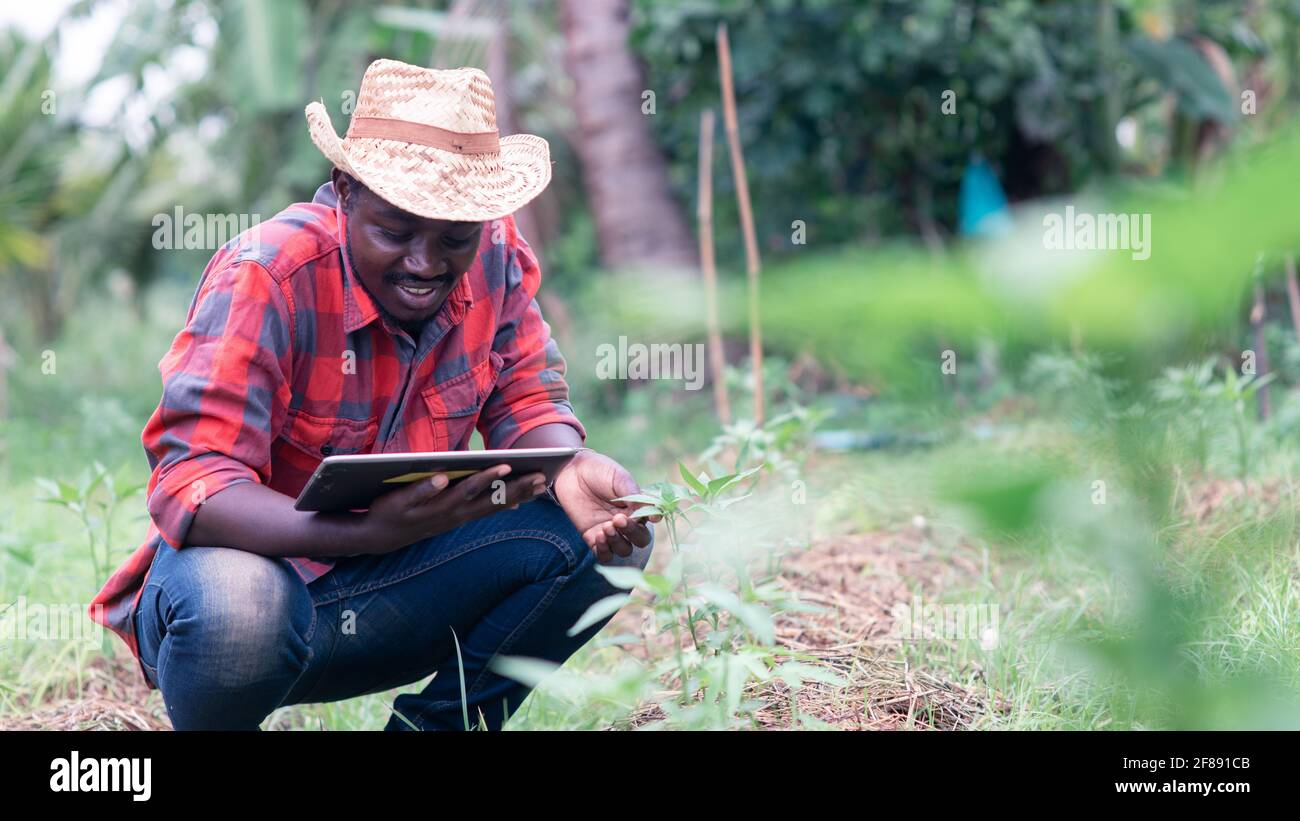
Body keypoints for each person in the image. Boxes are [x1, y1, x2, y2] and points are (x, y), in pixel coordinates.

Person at [87, 59, 655, 731]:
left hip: (388, 593)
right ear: (345, 192)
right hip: (242, 602)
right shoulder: (268, 275)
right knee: (241, 609)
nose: (424, 262)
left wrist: (568, 465)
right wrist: (359, 531)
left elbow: (527, 401)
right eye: (395, 230)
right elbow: (194, 482)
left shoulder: (496, 254)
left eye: (454, 237)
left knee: (605, 531)